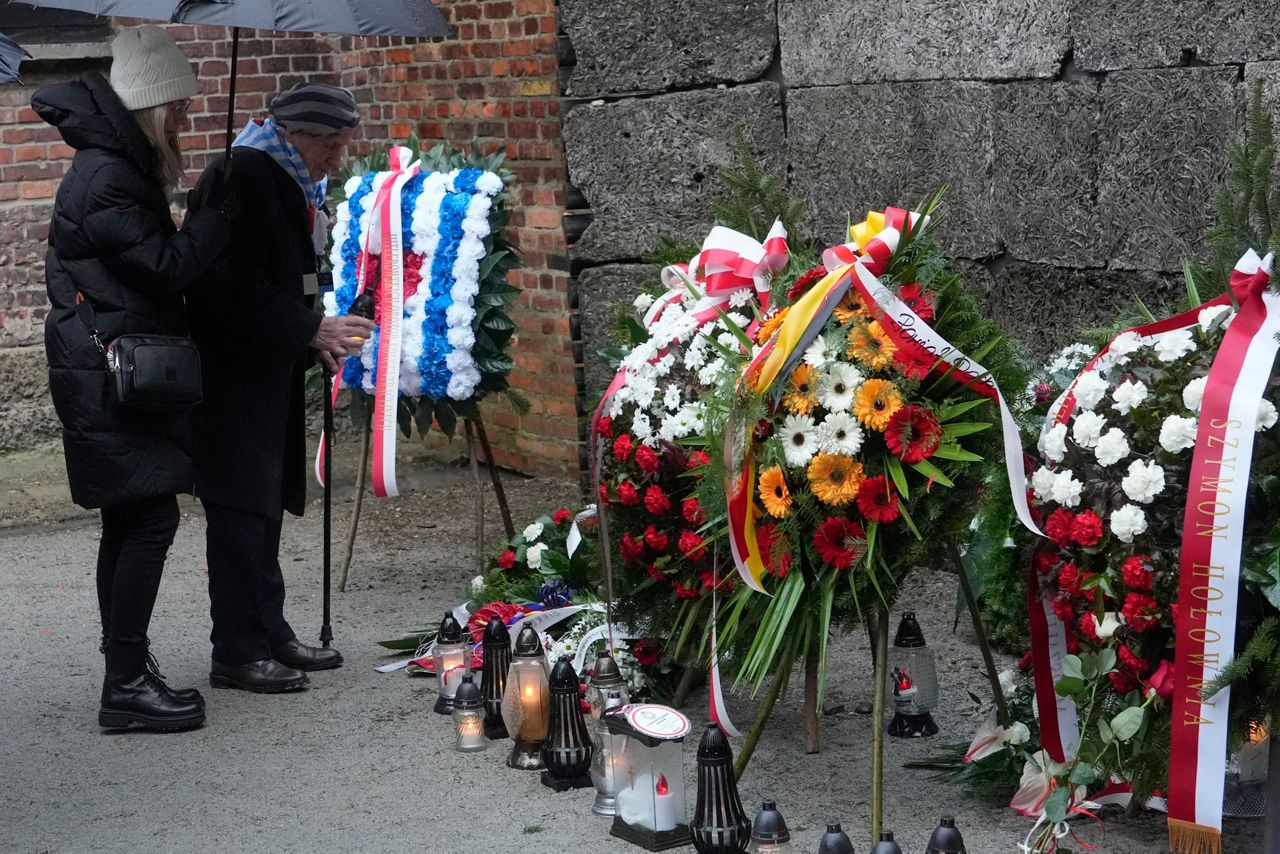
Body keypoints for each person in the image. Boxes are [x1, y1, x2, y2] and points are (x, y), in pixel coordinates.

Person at [33, 26, 236, 731]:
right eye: (177, 108)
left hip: (108, 370)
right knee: (148, 518)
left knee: (130, 518)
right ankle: (124, 683)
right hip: (110, 378)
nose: (183, 119)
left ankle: (124, 674)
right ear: (150, 107)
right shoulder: (108, 177)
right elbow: (166, 268)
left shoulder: (114, 168)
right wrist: (213, 217)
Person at [187, 82, 372, 693]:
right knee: (241, 509)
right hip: (232, 375)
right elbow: (227, 285)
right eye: (331, 144)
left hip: (266, 367)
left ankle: (269, 630)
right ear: (296, 134)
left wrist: (313, 332)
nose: (338, 157)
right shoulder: (244, 173)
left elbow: (282, 276)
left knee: (263, 506)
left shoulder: (283, 175)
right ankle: (237, 649)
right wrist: (308, 327)